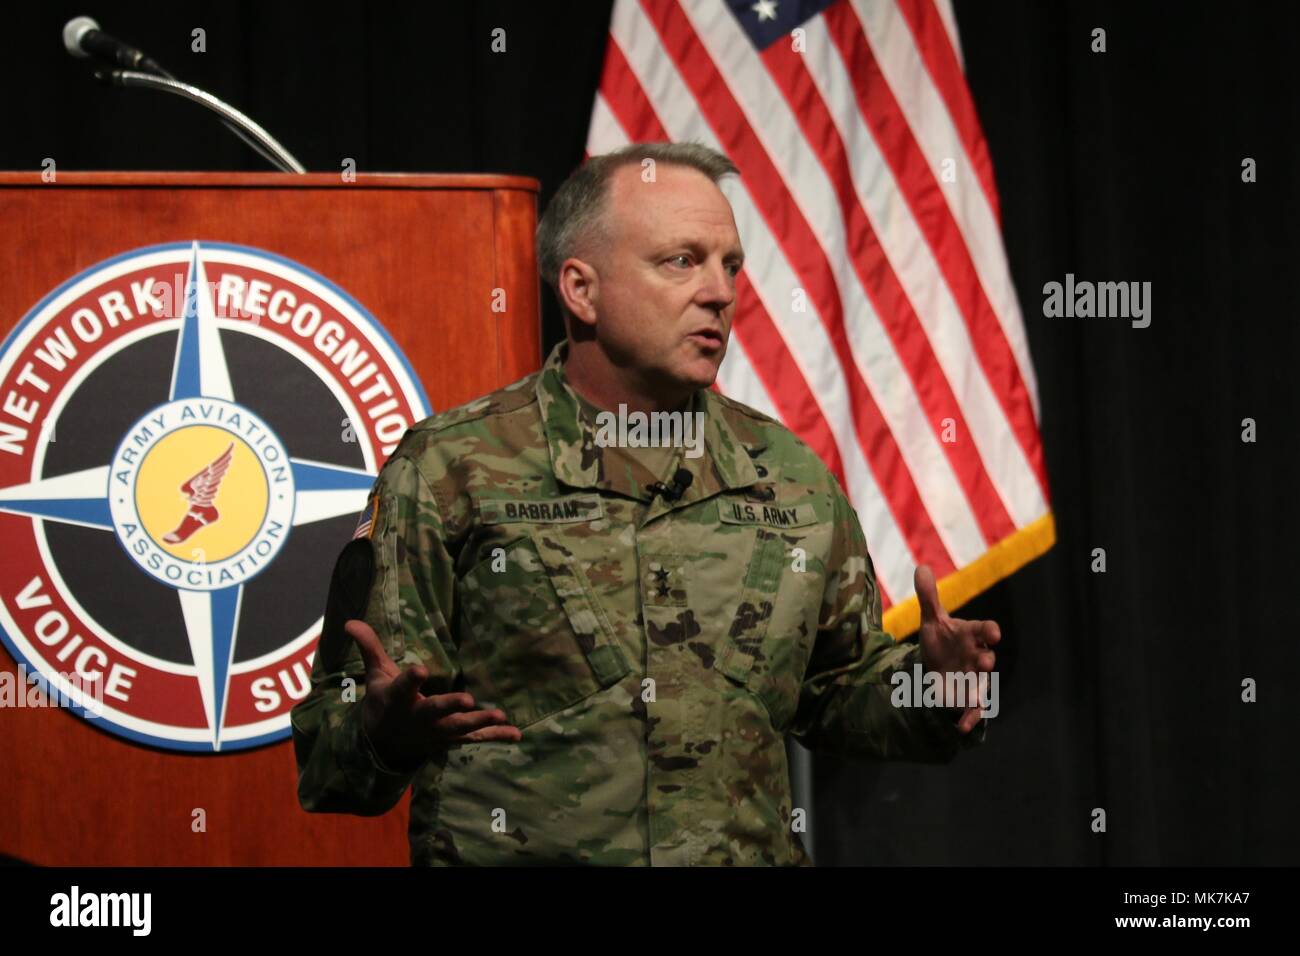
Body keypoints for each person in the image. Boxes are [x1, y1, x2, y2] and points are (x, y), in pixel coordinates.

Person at [290, 142, 1000, 866]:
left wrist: (930, 687)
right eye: (681, 261)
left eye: (731, 265)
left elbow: (837, 694)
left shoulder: (788, 478)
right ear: (580, 289)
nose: (720, 292)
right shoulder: (448, 470)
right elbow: (325, 755)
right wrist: (380, 735)